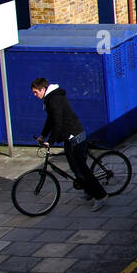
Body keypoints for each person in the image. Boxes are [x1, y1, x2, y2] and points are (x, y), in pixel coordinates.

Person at [31, 77, 106, 210]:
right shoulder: (50, 99)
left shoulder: (54, 100)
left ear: (43, 89)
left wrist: (51, 141)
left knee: (81, 169)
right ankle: (88, 191)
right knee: (75, 167)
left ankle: (100, 196)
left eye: (35, 92)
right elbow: (50, 119)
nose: (34, 95)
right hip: (69, 137)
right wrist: (43, 135)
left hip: (74, 136)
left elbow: (58, 123)